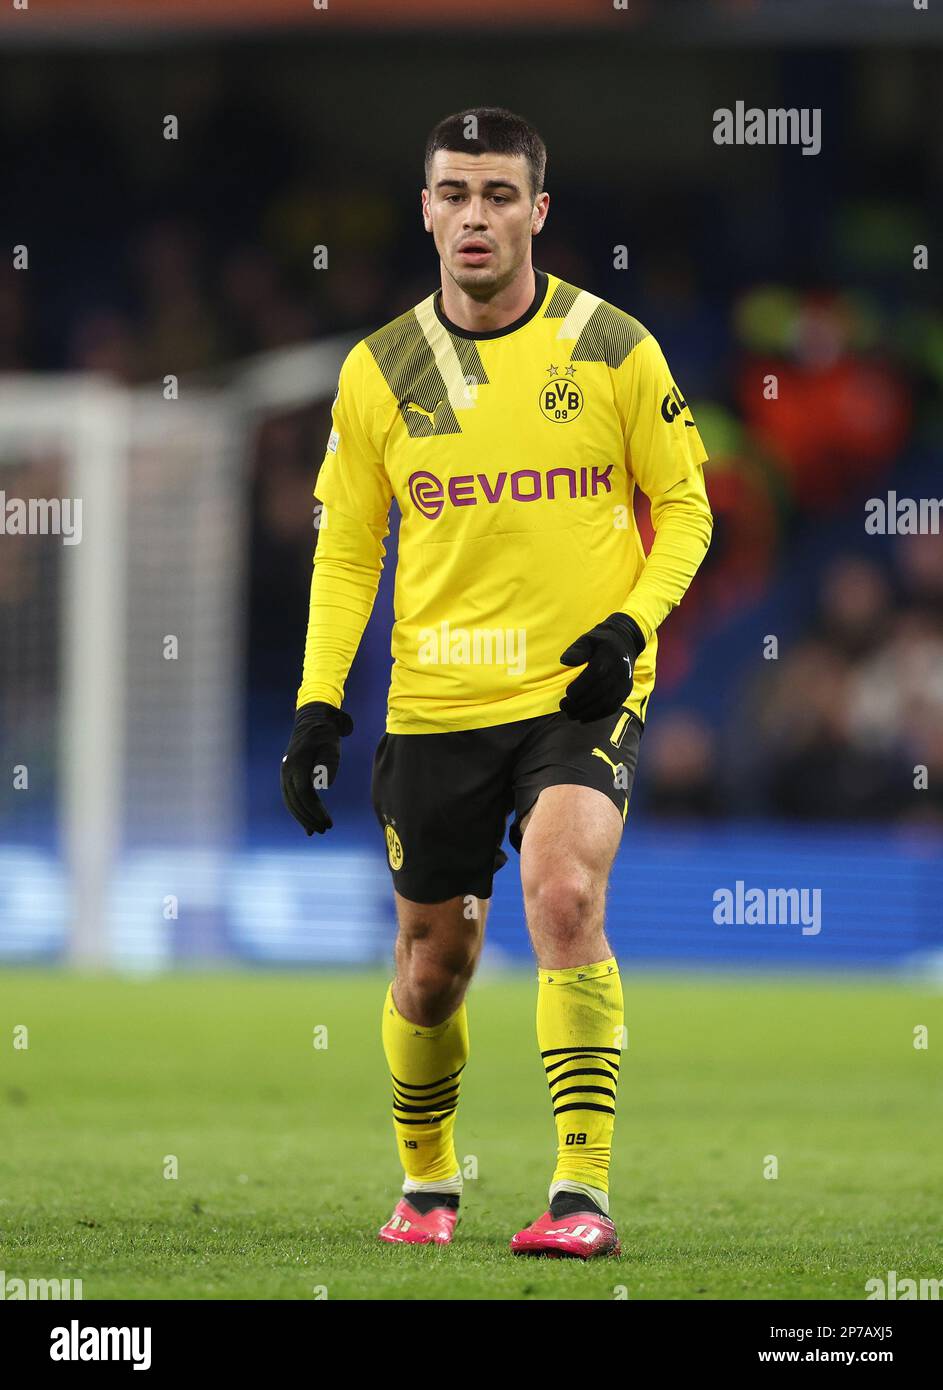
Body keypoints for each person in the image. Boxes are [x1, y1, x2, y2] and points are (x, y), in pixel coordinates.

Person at [281, 107, 713, 1258]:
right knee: (434, 967)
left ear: (537, 211)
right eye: (455, 194)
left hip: (579, 689)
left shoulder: (614, 346)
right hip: (436, 702)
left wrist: (627, 626)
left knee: (563, 891)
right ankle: (427, 1183)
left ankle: (581, 1194)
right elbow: (345, 549)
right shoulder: (377, 371)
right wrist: (320, 702)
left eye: (499, 195)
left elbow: (684, 510)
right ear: (425, 209)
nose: (476, 215)